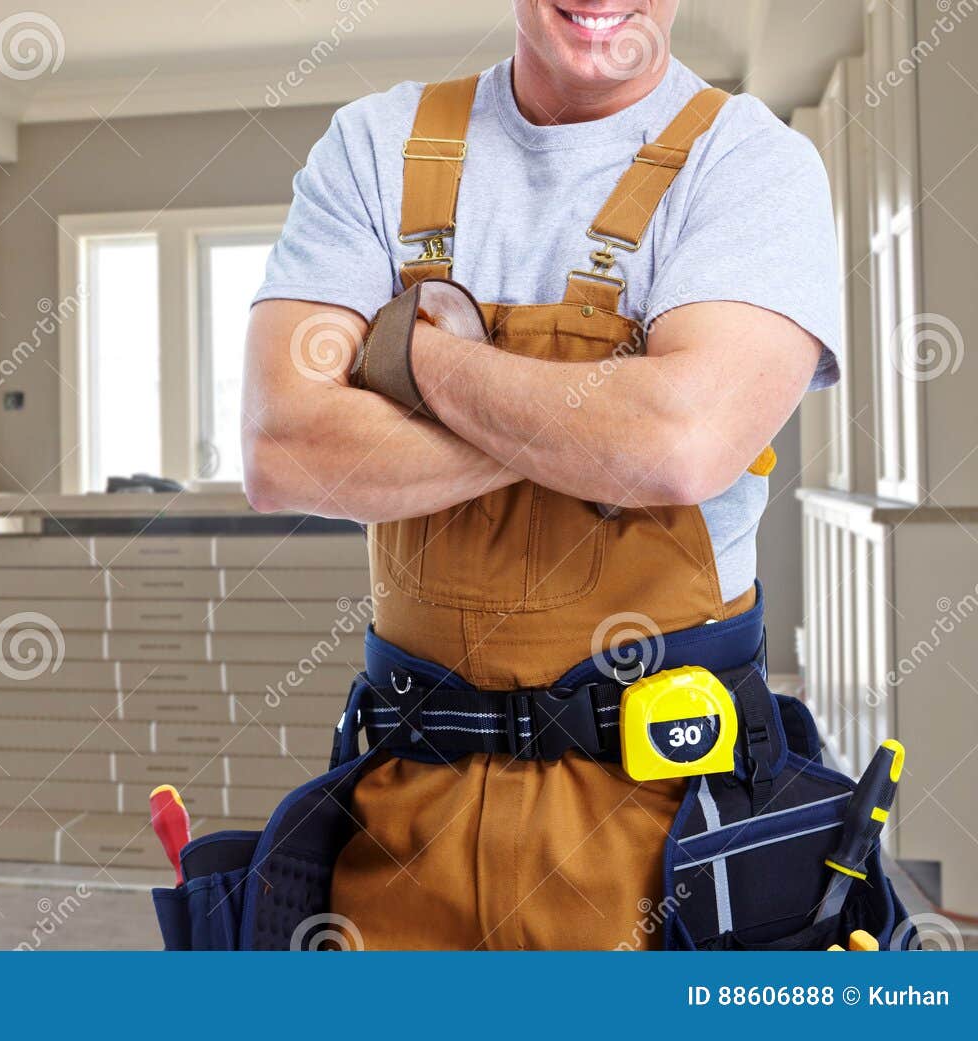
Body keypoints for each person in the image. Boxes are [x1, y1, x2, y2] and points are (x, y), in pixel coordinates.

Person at [242, 0, 840, 949]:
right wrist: (602, 428)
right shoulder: (373, 145)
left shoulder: (751, 163)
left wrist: (415, 358)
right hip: (402, 812)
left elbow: (682, 445)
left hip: (668, 817)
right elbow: (283, 450)